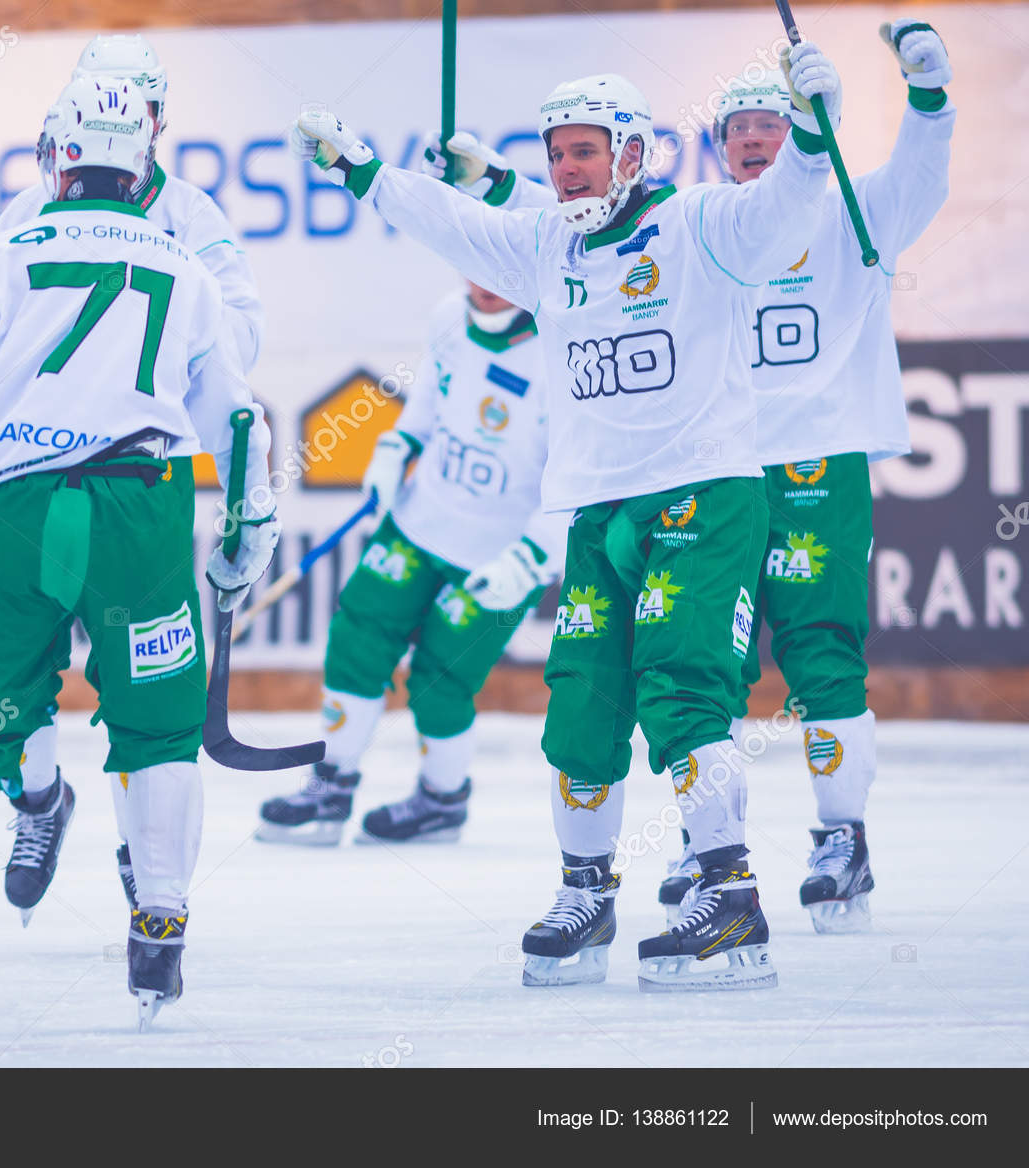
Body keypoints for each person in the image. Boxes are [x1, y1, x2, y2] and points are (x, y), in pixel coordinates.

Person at [290, 40, 844, 991]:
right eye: (554, 154)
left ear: (633, 153)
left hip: (704, 497)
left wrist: (808, 126)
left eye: (584, 150)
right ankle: (586, 891)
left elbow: (789, 203)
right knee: (582, 705)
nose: (565, 169)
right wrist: (360, 171)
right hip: (601, 512)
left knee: (682, 695)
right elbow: (451, 222)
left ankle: (730, 896)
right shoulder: (548, 244)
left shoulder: (705, 224)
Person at [0, 76, 277, 1030]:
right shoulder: (184, 262)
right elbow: (237, 416)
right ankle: (159, 931)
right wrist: (248, 527)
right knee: (160, 729)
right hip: (142, 514)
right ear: (142, 163)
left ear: (57, 161)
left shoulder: (4, 251)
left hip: (13, 514)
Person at [654, 20, 954, 934]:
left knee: (821, 650)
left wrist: (928, 83)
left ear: (805, 129)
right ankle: (712, 845)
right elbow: (587, 234)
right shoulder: (698, 223)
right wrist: (496, 185)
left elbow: (923, 171)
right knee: (709, 659)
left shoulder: (857, 208)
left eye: (771, 122)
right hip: (713, 468)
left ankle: (842, 838)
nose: (751, 138)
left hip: (818, 458)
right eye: (736, 128)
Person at [0, 32, 266, 924]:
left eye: (135, 112)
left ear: (156, 121)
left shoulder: (192, 215)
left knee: (137, 675)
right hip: (34, 467)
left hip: (143, 473)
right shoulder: (31, 208)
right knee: (17, 658)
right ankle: (38, 803)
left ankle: (140, 849)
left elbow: (242, 339)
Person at [257, 280, 567, 845]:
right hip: (418, 521)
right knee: (357, 640)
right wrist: (392, 453)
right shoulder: (449, 317)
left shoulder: (567, 344)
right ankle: (330, 788)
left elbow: (580, 475)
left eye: (502, 271)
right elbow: (423, 415)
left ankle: (441, 801)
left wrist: (533, 559)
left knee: (441, 680)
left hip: (499, 555)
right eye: (474, 266)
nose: (486, 285)